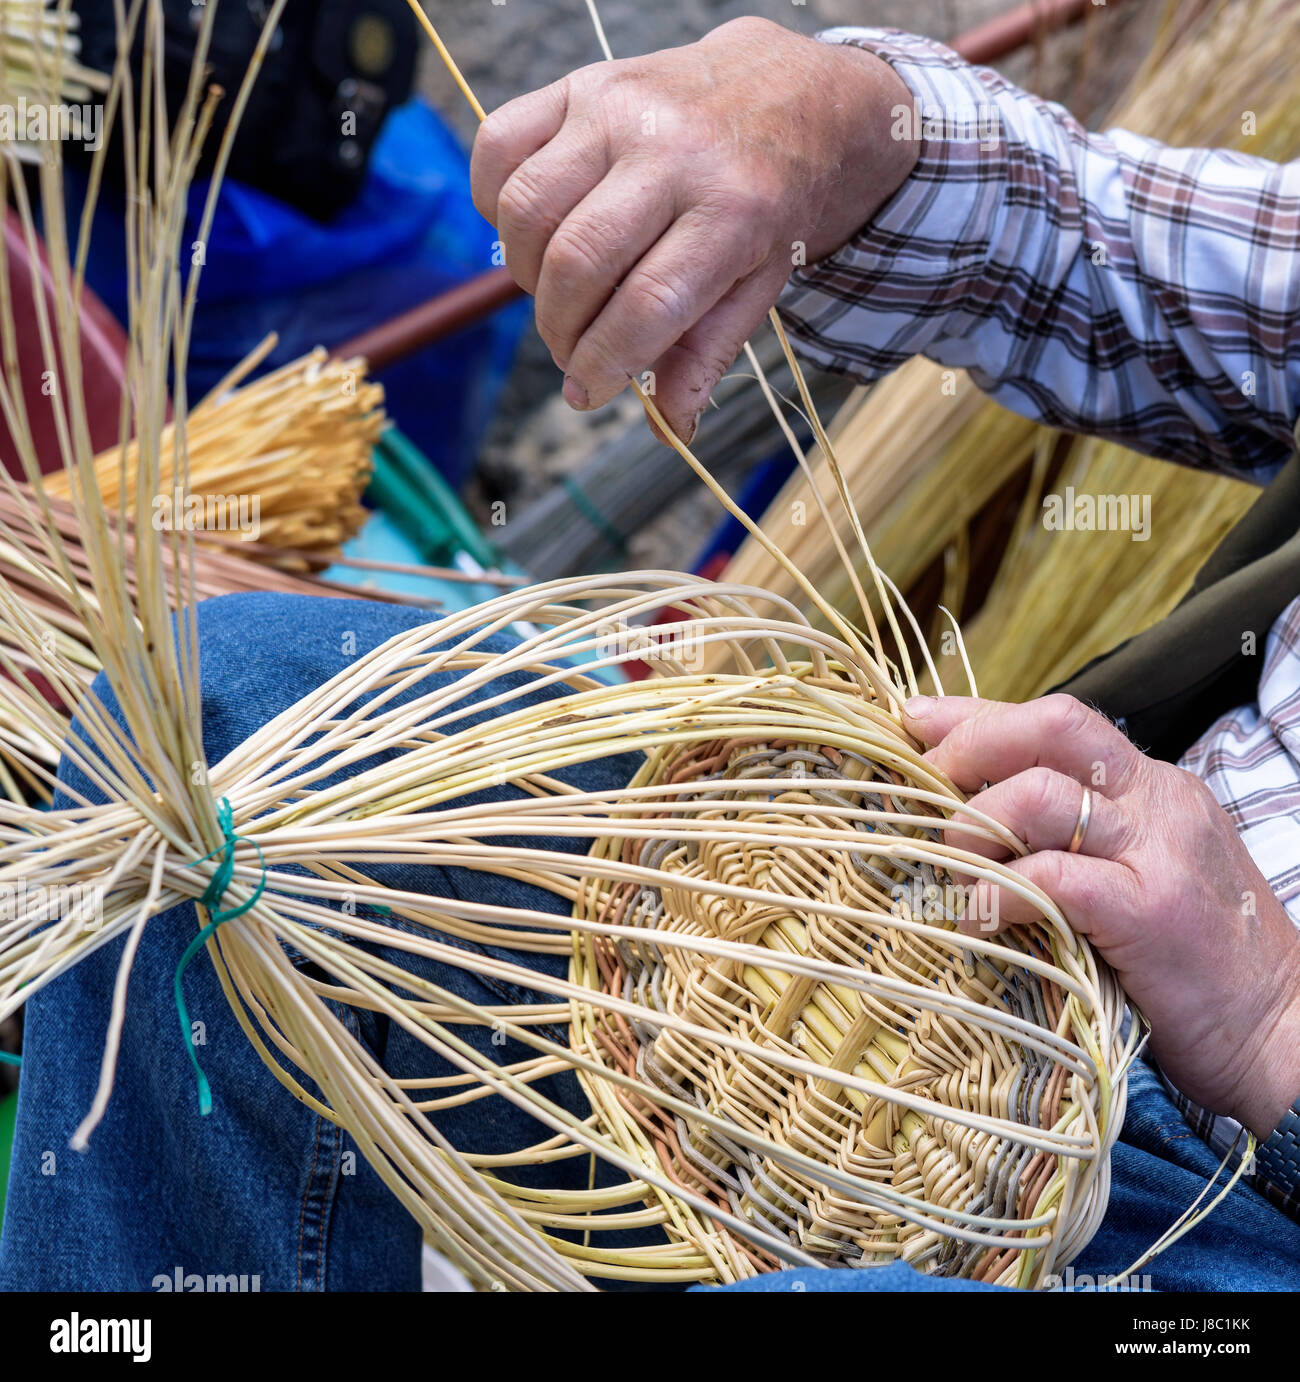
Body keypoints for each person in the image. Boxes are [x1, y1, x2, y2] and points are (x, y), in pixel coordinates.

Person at [1, 19, 1297, 1292]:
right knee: (219, 722)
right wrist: (840, 129)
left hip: (1243, 1192)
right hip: (987, 947)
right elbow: (1113, 253)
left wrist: (1273, 1017)